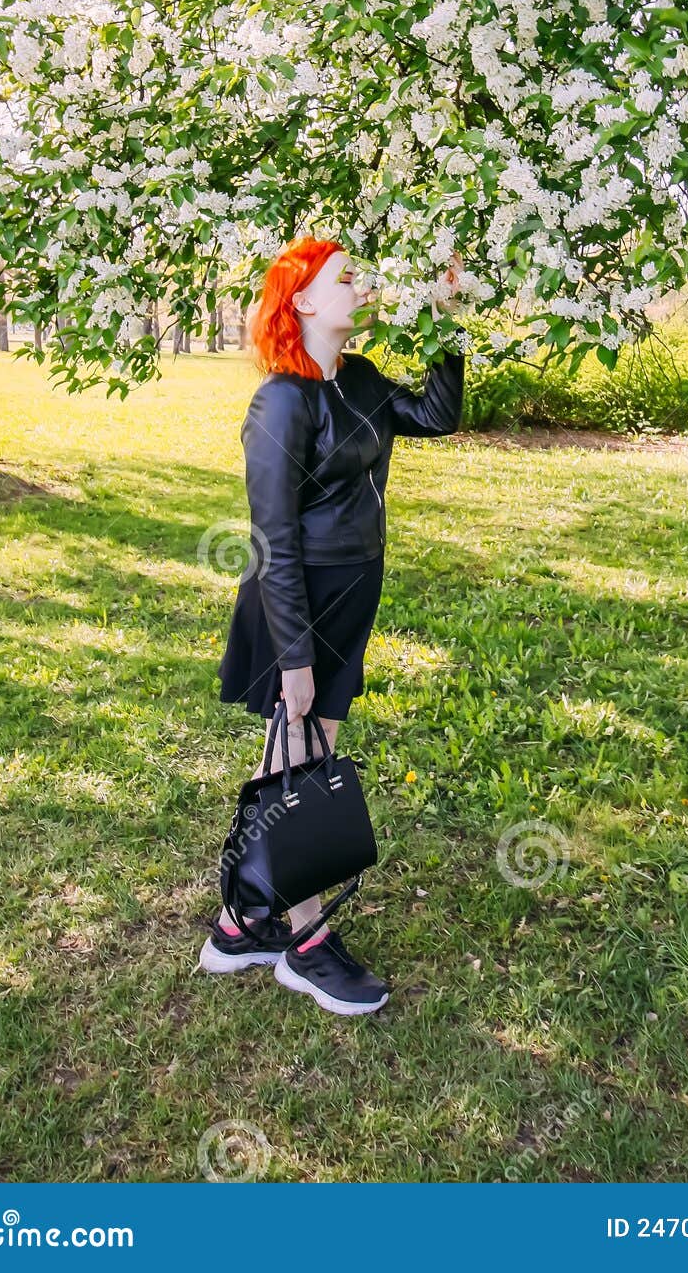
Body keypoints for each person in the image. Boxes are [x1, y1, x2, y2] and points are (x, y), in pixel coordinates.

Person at [198, 236, 465, 1015]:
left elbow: (437, 415)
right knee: (305, 761)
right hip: (298, 598)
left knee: (295, 756)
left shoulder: (359, 378)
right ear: (304, 299)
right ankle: (305, 944)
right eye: (344, 276)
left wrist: (448, 324)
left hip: (353, 588)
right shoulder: (281, 399)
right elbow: (271, 539)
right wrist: (293, 656)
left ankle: (240, 924)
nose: (362, 284)